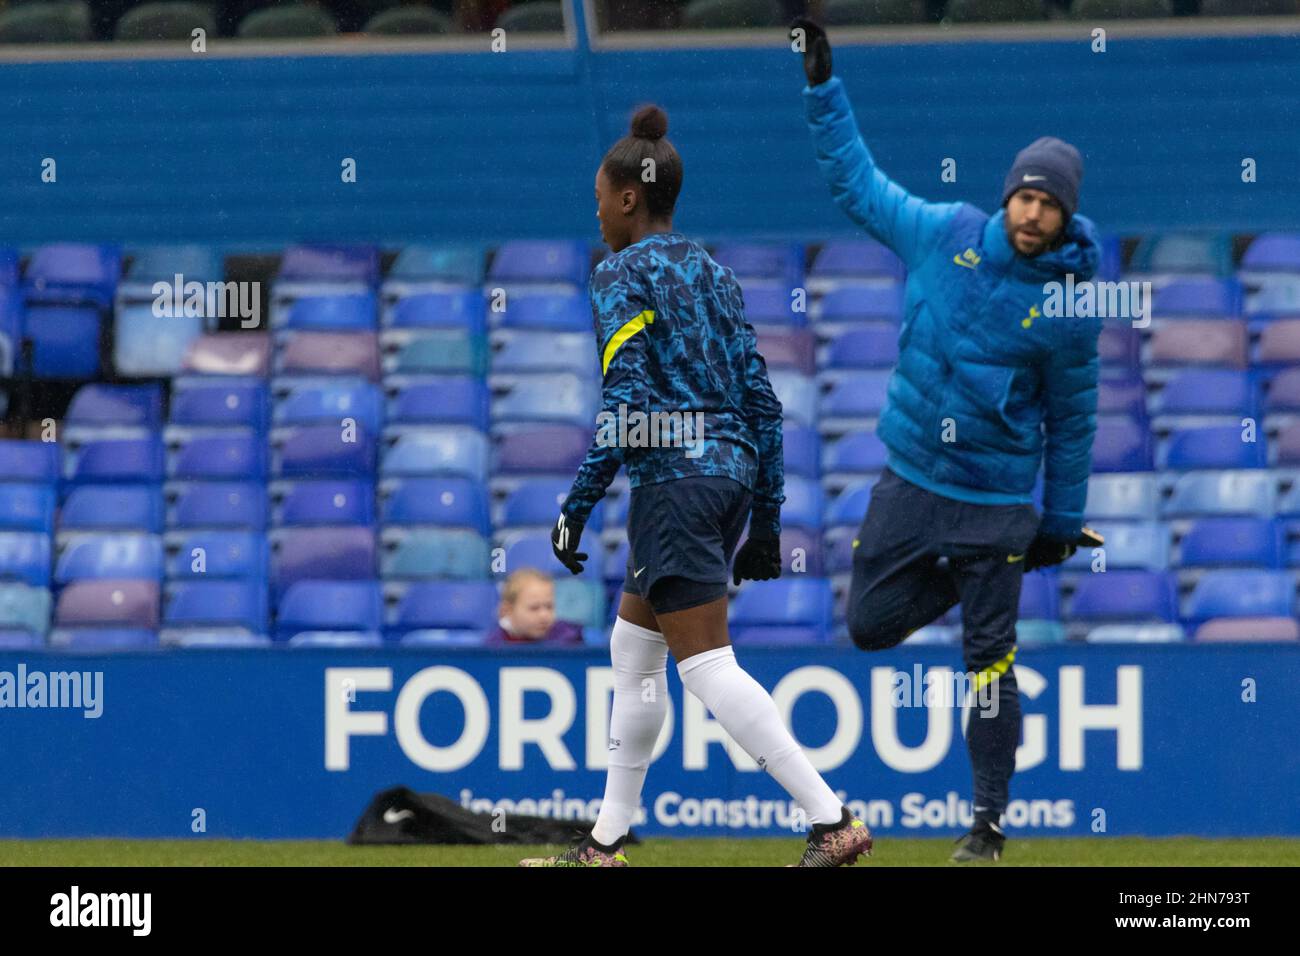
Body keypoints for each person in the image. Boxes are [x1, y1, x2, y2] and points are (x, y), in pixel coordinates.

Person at [521, 104, 873, 867]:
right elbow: (763, 401)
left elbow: (629, 401)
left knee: (706, 665)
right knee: (633, 645)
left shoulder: (617, 272)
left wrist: (576, 505)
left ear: (624, 198)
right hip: (730, 477)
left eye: (597, 200)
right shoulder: (715, 272)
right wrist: (768, 519)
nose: (595, 215)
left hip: (675, 481)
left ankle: (831, 819)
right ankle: (605, 845)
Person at [791, 19, 1104, 862]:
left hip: (997, 501)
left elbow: (1075, 417)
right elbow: (858, 186)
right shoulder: (944, 232)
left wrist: (1060, 521)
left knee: (989, 667)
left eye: (1050, 203)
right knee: (867, 626)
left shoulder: (1073, 305)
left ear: (1066, 214)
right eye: (1027, 196)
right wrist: (823, 87)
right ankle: (978, 580)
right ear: (1008, 196)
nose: (1034, 212)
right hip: (912, 484)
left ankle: (987, 827)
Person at [484, 569, 584, 647]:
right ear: (507, 610)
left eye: (549, 606)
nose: (544, 615)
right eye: (534, 608)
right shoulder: (494, 646)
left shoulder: (568, 637)